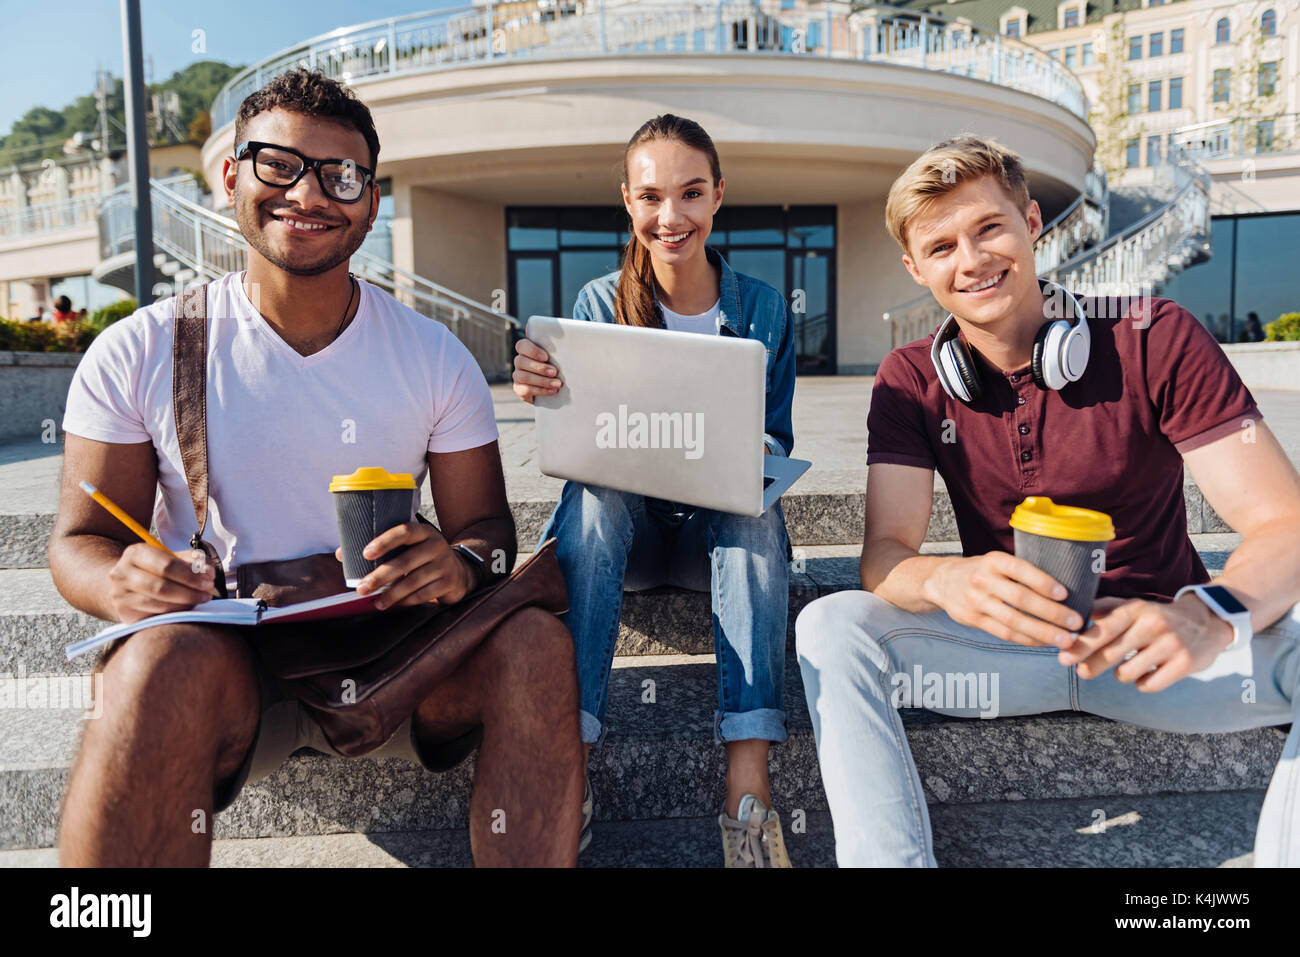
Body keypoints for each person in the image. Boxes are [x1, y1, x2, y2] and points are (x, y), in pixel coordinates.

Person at [50, 68, 582, 867]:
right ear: (231, 176)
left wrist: (461, 563)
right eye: (278, 164)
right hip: (231, 661)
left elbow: (488, 532)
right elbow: (78, 540)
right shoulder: (140, 348)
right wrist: (117, 581)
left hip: (403, 658)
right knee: (149, 664)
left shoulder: (433, 356)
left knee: (537, 642)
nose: (308, 193)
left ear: (369, 203)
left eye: (340, 176)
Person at [795, 135, 1300, 867]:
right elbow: (884, 556)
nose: (970, 260)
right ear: (916, 268)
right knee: (829, 621)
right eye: (941, 247)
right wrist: (943, 578)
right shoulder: (907, 378)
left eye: (989, 228)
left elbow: (1284, 522)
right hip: (1001, 653)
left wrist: (1211, 612)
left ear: (1033, 223)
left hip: (1155, 650)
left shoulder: (1158, 337)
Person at [512, 114, 798, 867]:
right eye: (650, 197)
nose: (670, 218)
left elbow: (779, 439)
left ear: (718, 196)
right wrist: (545, 394)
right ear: (627, 201)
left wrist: (744, 449)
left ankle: (748, 786)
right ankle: (570, 763)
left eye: (691, 194)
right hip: (627, 540)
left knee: (754, 506)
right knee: (599, 492)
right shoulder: (597, 304)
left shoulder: (764, 307)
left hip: (713, 538)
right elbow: (581, 446)